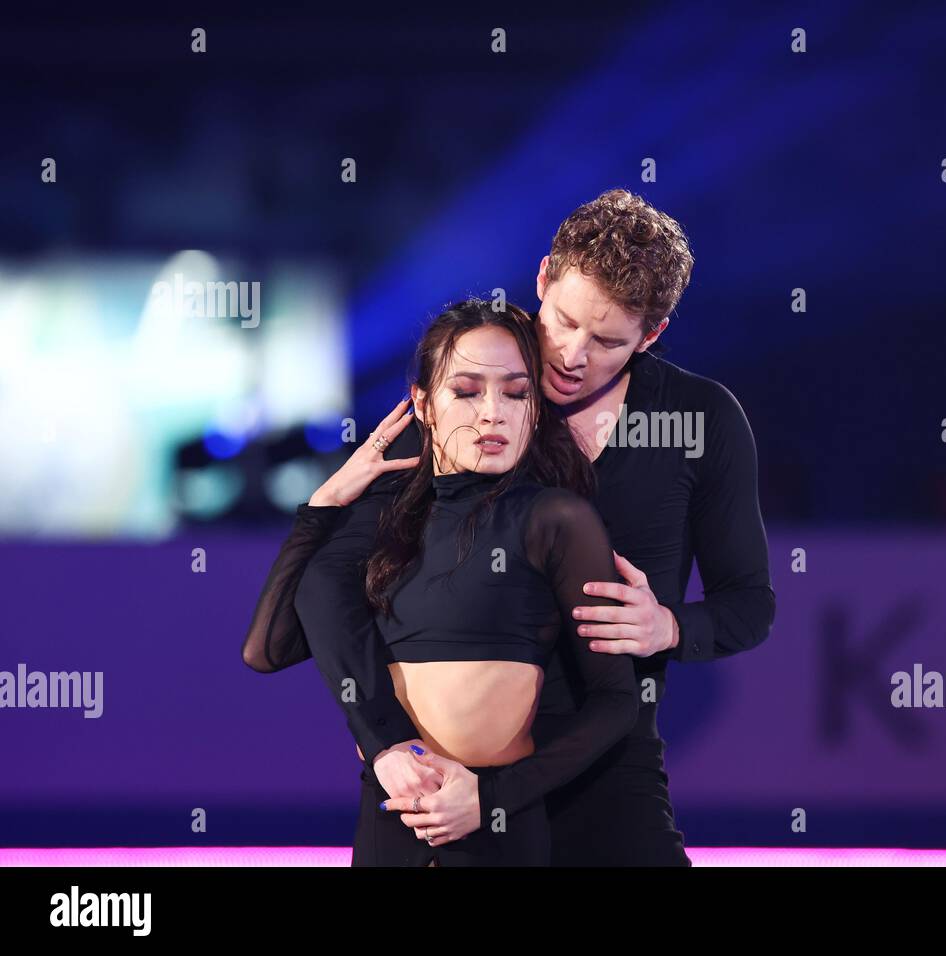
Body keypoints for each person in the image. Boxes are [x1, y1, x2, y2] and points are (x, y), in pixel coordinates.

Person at [244, 189, 775, 865]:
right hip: (444, 784)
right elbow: (311, 620)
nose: (573, 355)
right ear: (543, 279)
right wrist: (385, 738)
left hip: (605, 767)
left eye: (608, 340)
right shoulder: (477, 386)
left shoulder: (700, 421)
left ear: (652, 335)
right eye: (564, 320)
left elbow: (750, 605)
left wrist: (670, 627)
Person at [246, 299, 638, 866]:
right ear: (424, 405)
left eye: (516, 393)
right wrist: (324, 504)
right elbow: (267, 648)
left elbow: (615, 702)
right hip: (391, 814)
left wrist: (492, 798)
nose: (492, 414)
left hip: (499, 823)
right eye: (467, 390)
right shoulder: (382, 524)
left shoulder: (557, 520)